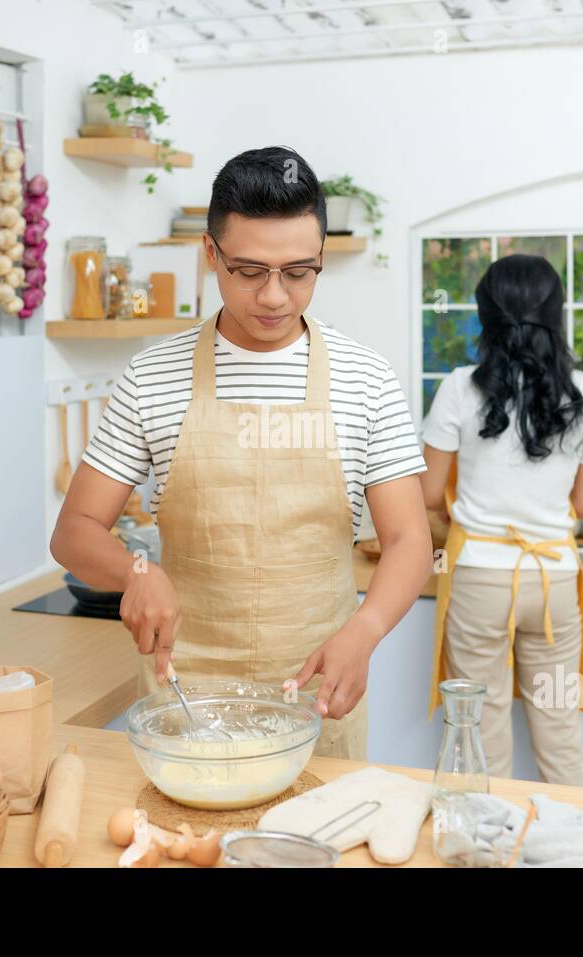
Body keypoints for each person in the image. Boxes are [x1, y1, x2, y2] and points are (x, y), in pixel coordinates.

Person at [50, 146, 432, 759]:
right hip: (186, 699)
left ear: (321, 259)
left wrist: (367, 629)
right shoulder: (152, 376)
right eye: (250, 271)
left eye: (299, 272)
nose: (275, 296)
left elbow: (411, 540)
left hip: (316, 691)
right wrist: (135, 572)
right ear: (211, 255)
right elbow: (74, 530)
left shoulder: (366, 378)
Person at [418, 254, 583, 784]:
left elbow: (428, 492)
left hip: (481, 577)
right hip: (553, 581)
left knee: (481, 735)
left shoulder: (459, 387)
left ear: (485, 314)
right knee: (560, 735)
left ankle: (486, 853)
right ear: (558, 314)